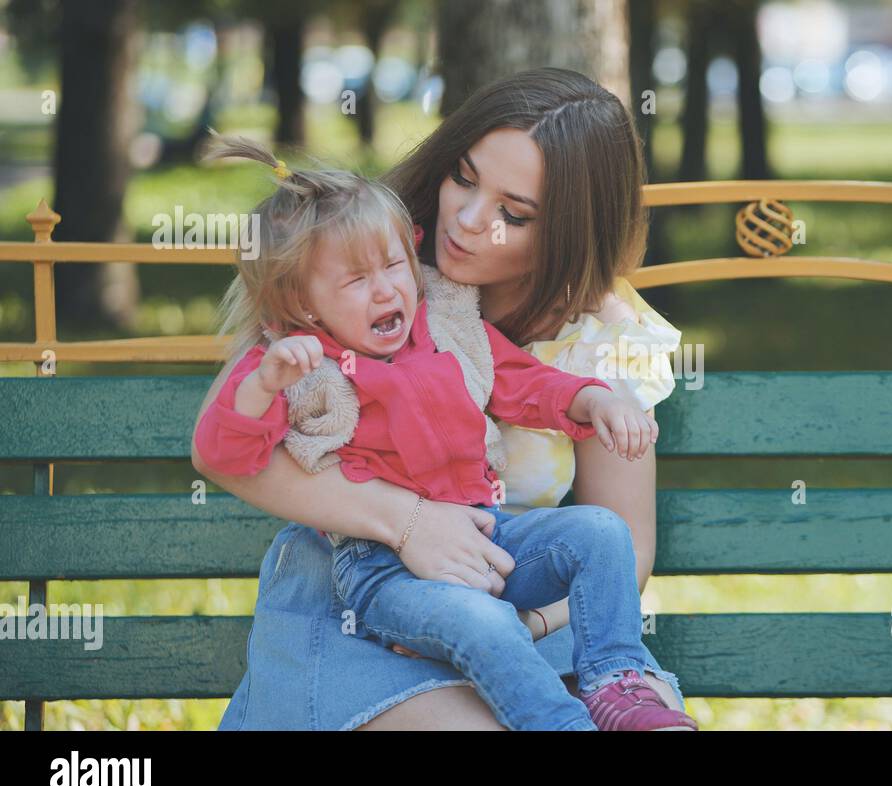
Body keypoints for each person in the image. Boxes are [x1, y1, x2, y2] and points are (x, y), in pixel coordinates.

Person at [192, 68, 690, 730]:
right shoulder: (356, 255)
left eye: (513, 214)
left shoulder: (601, 339)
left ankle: (601, 686)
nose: (466, 218)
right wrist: (407, 521)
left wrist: (525, 622)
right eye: (463, 176)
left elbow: (626, 546)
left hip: (522, 594)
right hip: (356, 594)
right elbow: (225, 451)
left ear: (570, 232)